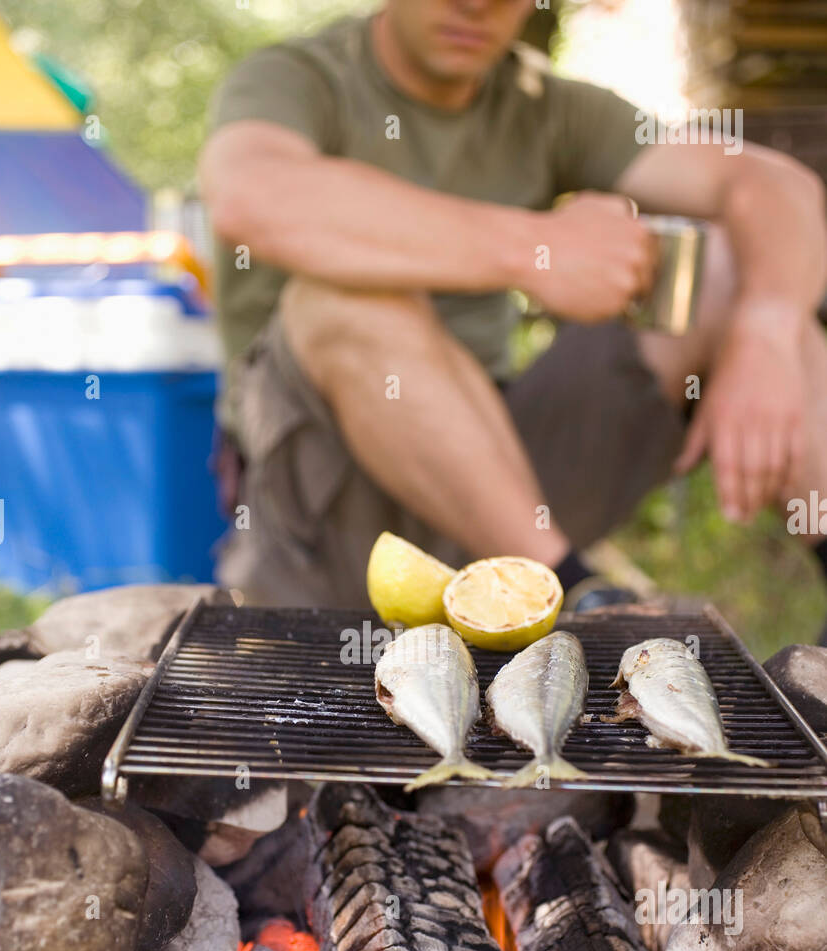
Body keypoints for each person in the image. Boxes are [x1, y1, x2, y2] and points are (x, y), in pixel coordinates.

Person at [200, 0, 827, 612]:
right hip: (329, 523)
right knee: (337, 296)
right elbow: (249, 194)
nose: (476, 7)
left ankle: (549, 586)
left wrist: (767, 331)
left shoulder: (545, 104)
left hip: (496, 483)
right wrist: (535, 247)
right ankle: (578, 594)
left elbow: (775, 184)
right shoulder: (297, 77)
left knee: (737, 272)